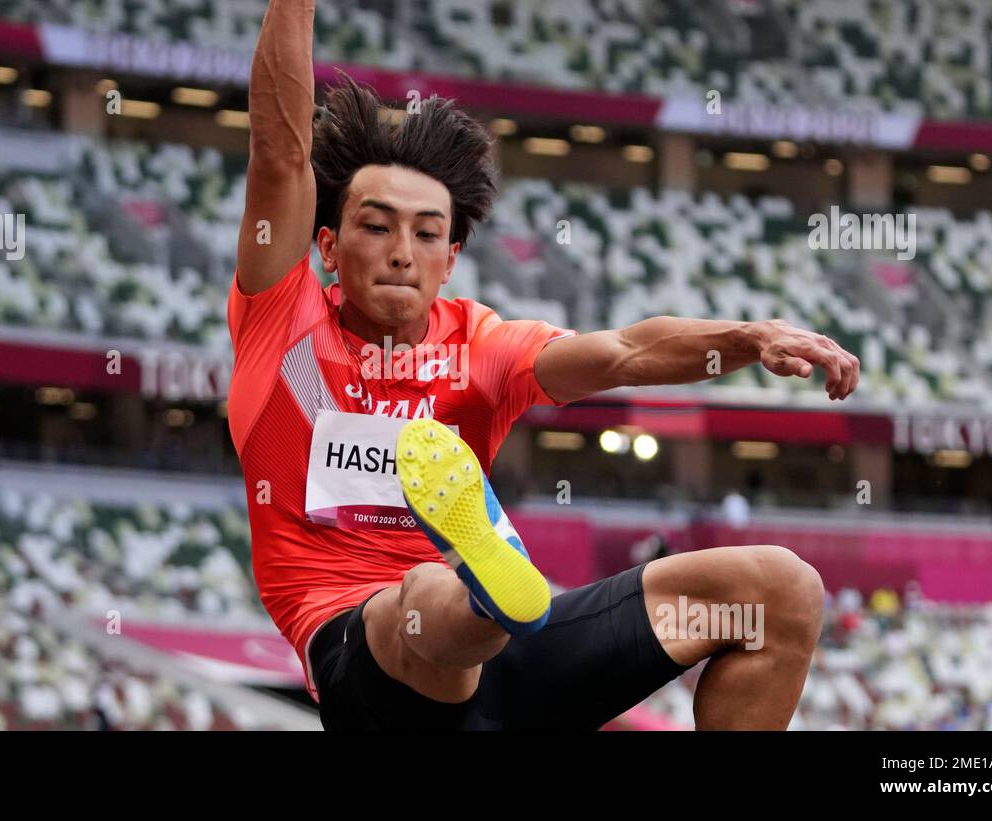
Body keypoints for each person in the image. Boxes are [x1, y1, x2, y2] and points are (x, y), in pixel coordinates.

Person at [227, 0, 860, 730]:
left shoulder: (479, 344)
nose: (402, 248)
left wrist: (749, 337)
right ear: (329, 246)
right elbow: (279, 153)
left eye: (426, 232)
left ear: (450, 258)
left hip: (512, 664)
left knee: (778, 592)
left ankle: (491, 587)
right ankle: (484, 583)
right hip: (367, 659)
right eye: (376, 225)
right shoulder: (283, 319)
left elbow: (622, 351)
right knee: (429, 595)